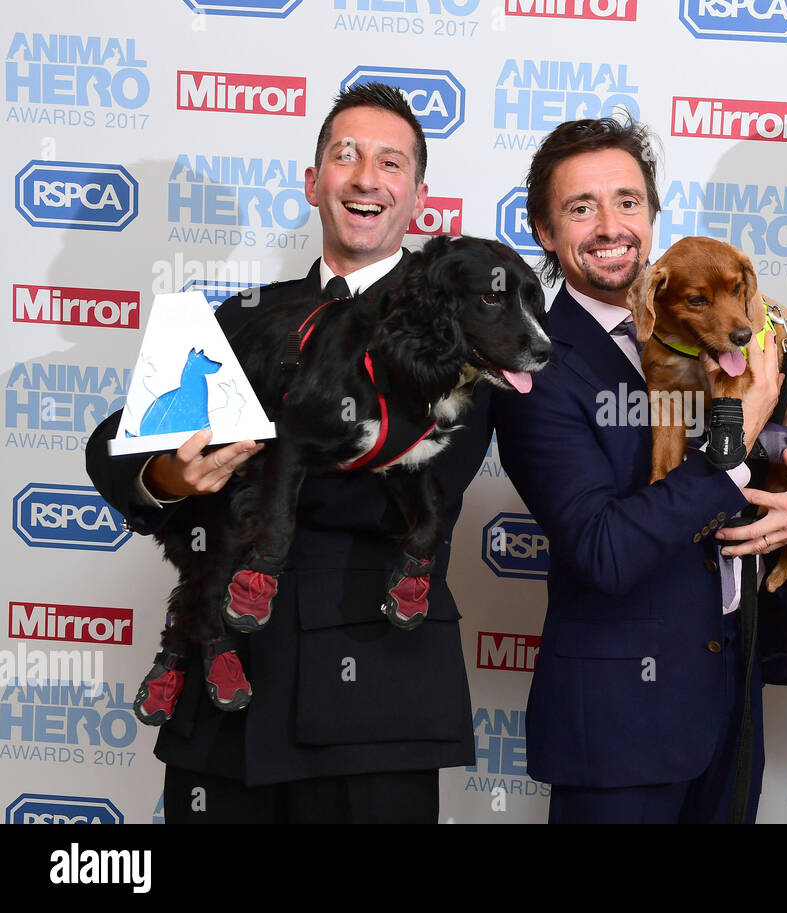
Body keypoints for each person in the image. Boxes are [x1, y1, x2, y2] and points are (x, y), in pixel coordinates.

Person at [85, 84, 488, 823]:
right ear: (313, 182)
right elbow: (116, 442)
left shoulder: (462, 335)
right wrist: (169, 472)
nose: (367, 177)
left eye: (390, 162)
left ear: (418, 197)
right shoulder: (245, 317)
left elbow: (397, 492)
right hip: (224, 718)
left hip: (376, 716)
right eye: (346, 156)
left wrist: (243, 460)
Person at [491, 118, 787, 823]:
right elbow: (603, 549)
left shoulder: (724, 330)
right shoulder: (538, 365)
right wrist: (737, 423)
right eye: (581, 207)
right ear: (545, 230)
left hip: (731, 696)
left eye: (627, 202)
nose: (610, 225)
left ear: (651, 215)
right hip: (619, 730)